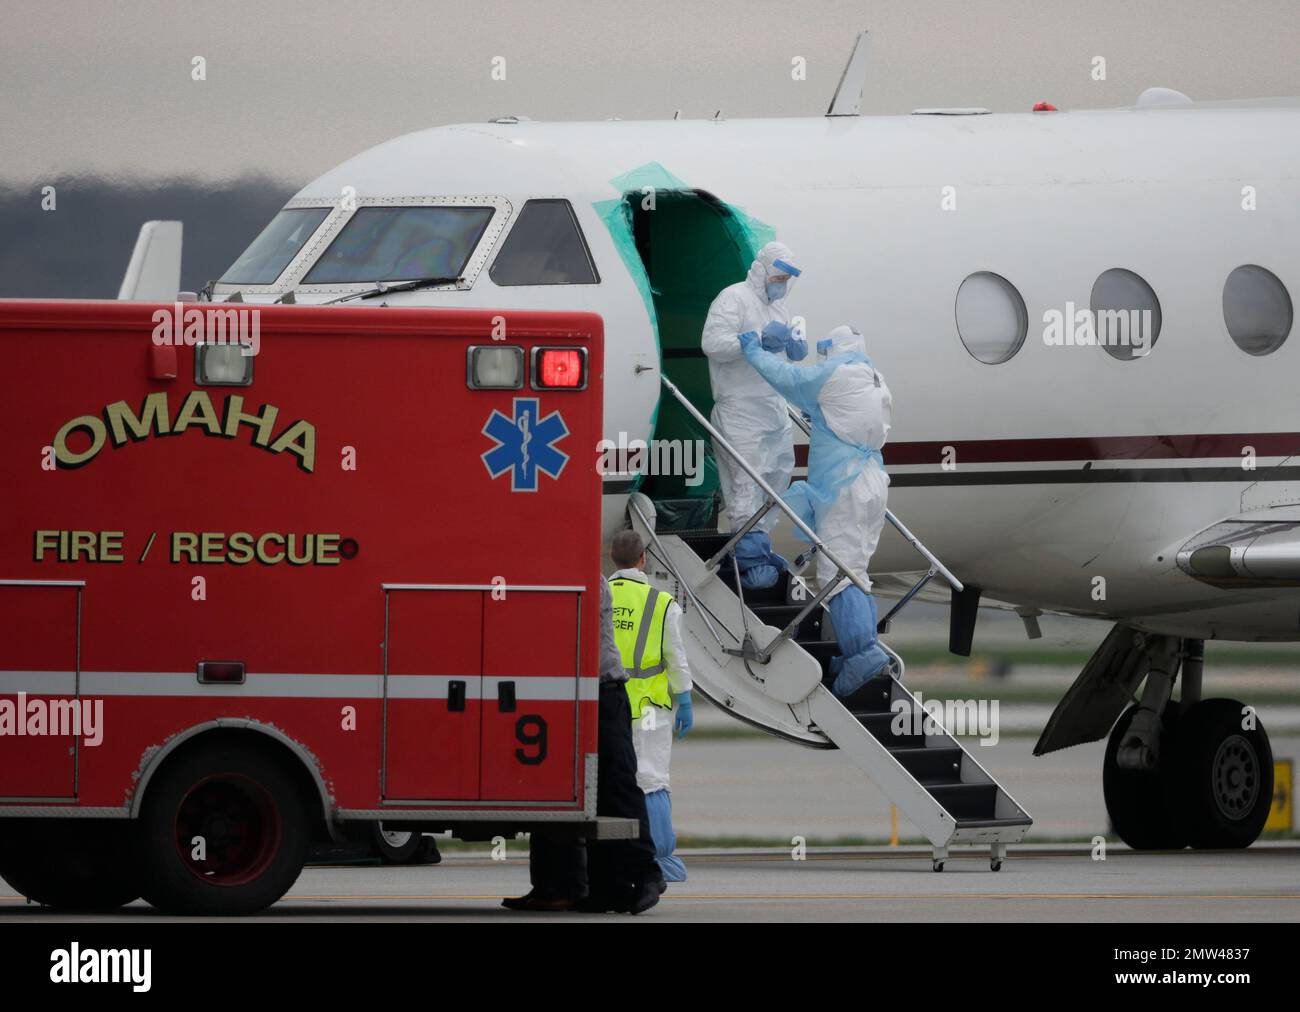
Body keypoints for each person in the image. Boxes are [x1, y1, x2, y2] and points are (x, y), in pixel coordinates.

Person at [739, 324, 893, 698]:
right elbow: (840, 413)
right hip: (872, 481)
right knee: (856, 571)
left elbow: (789, 378)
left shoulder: (836, 373)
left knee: (838, 575)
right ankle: (859, 649)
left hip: (845, 484)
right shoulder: (875, 379)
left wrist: (755, 350)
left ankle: (861, 654)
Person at [503, 576, 664, 914]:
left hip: (604, 691)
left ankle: (645, 872)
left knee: (616, 784)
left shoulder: (591, 579)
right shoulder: (579, 575)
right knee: (583, 790)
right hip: (575, 691)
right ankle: (599, 887)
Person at [701, 241, 807, 589]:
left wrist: (792, 349)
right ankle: (745, 556)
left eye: (787, 279)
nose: (781, 283)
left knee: (778, 474)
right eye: (778, 276)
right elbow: (712, 344)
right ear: (762, 270)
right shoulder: (733, 299)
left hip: (772, 405)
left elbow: (783, 357)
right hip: (739, 407)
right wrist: (753, 341)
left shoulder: (781, 309)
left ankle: (759, 544)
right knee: (747, 479)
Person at [607, 529, 694, 882]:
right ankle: (659, 858)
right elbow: (676, 658)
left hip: (607, 703)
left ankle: (612, 856)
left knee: (609, 781)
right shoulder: (663, 604)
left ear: (612, 559)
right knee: (652, 780)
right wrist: (684, 698)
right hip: (648, 709)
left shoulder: (601, 595)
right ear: (643, 559)